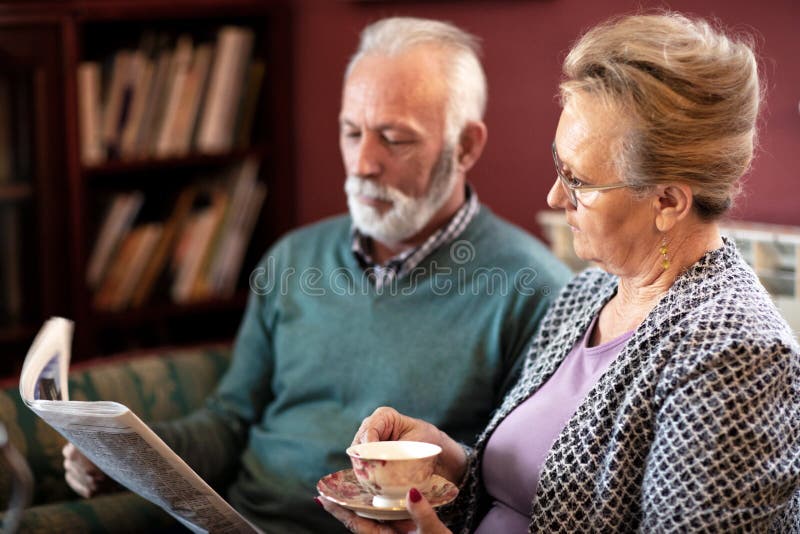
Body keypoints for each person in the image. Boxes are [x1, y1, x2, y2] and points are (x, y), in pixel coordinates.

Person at [62, 17, 570, 533]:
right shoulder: (293, 258)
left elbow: (514, 490)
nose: (363, 163)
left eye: (394, 138)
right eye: (351, 132)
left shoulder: (535, 290)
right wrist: (120, 454)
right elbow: (229, 423)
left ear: (465, 146)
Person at [320, 12, 800, 533]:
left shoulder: (736, 356)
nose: (553, 197)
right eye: (558, 164)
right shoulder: (587, 293)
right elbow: (527, 495)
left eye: (579, 181)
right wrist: (448, 464)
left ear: (667, 201)